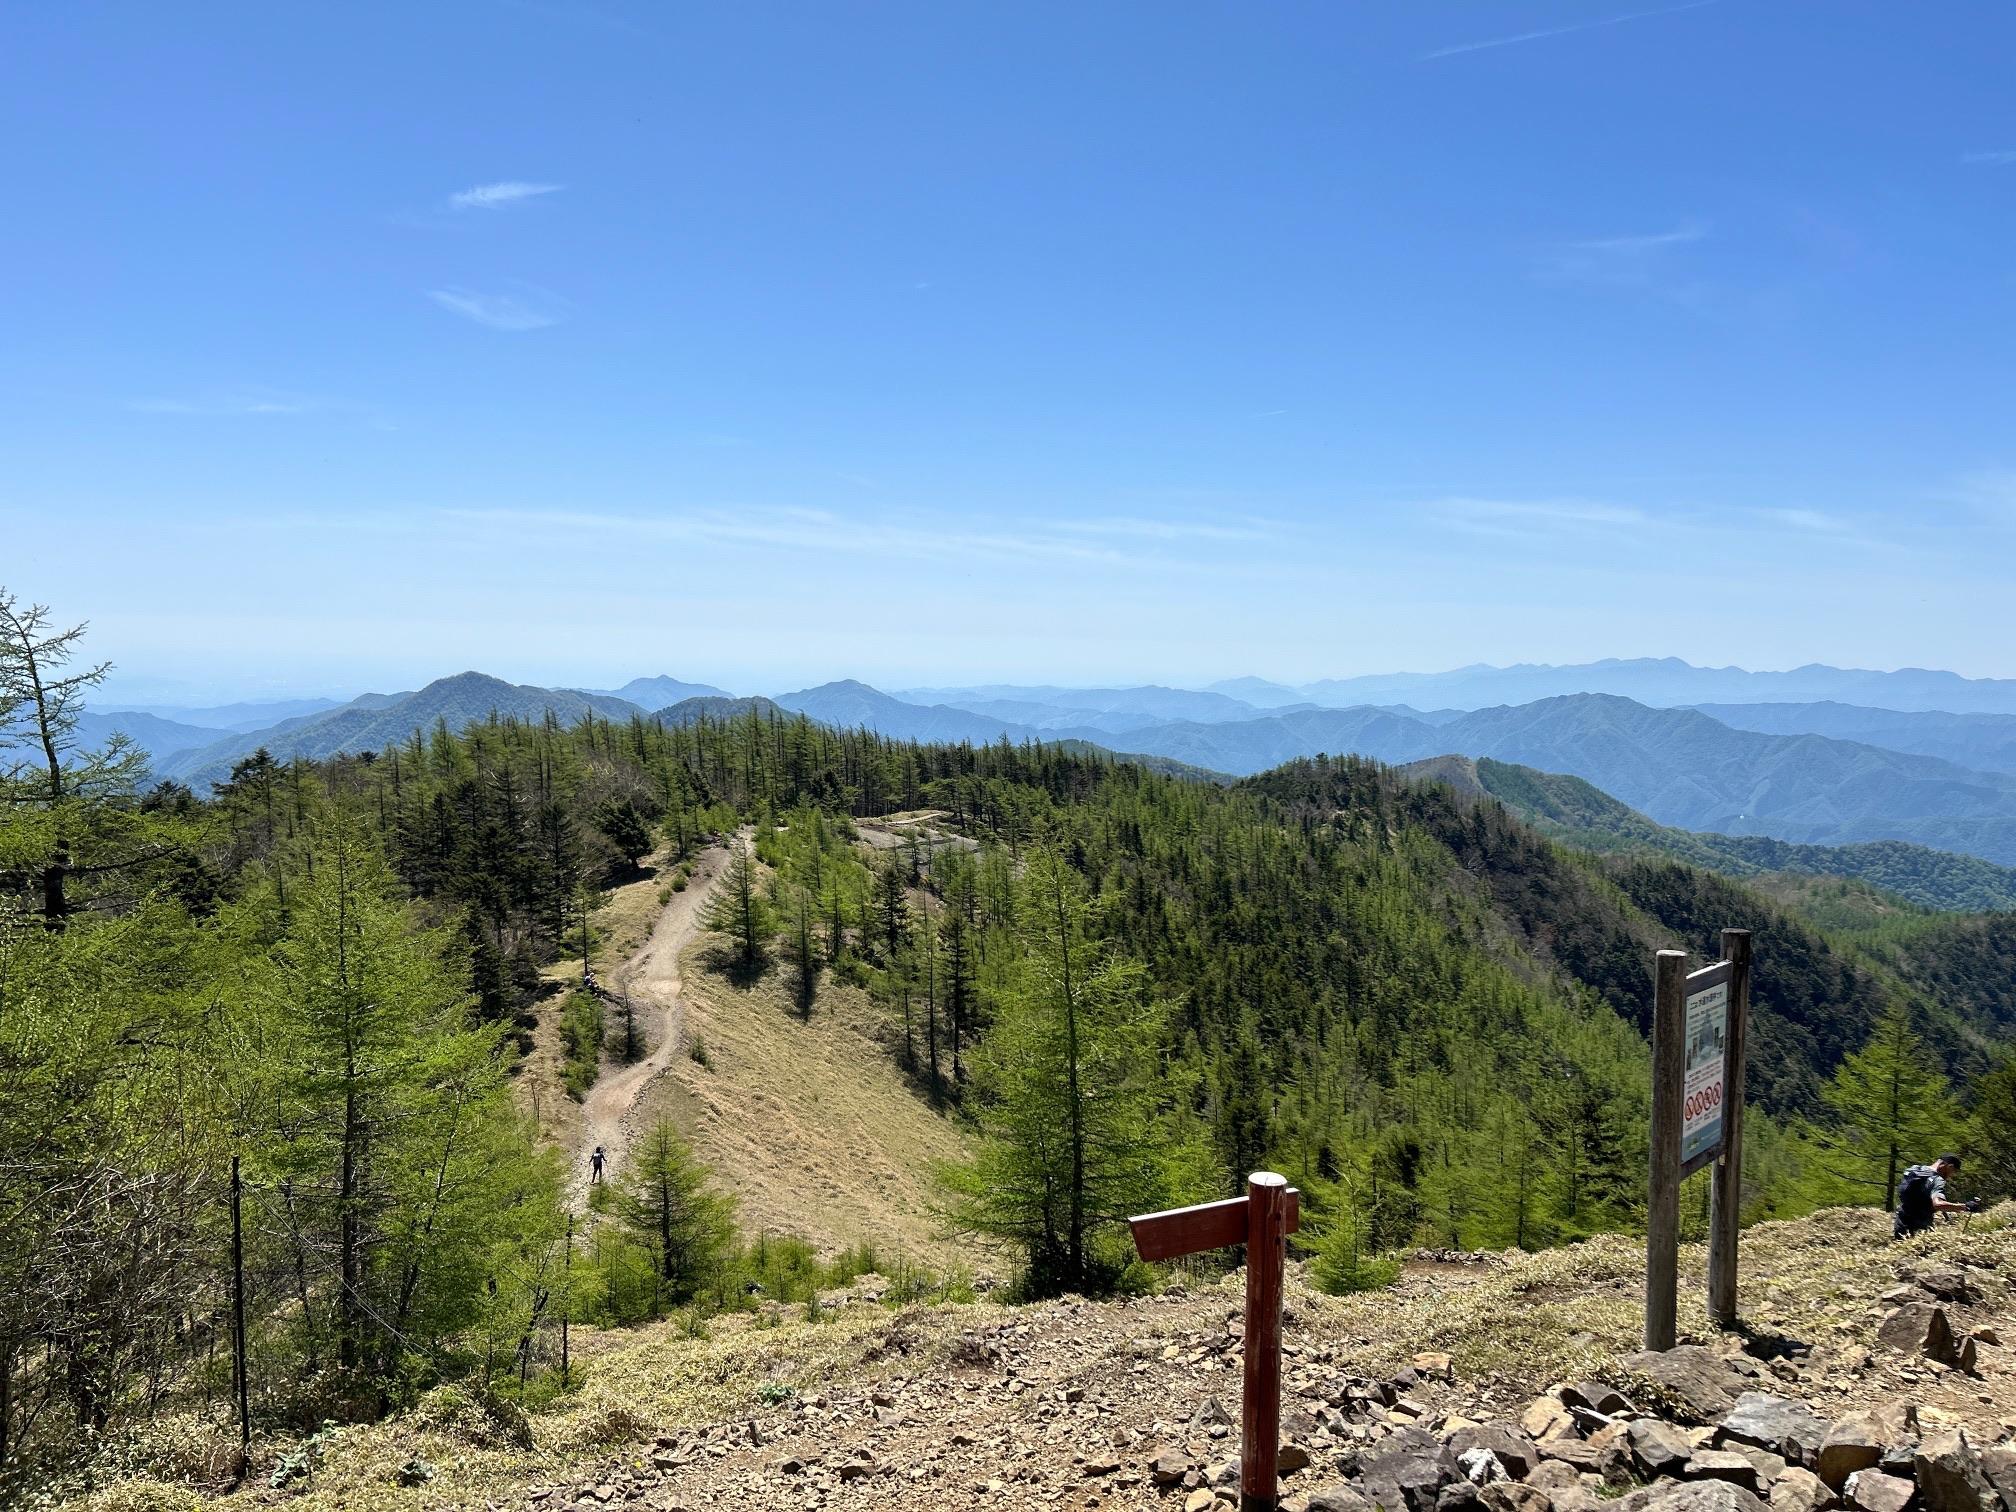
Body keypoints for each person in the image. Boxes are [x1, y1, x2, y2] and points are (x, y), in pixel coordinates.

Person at [1894, 1153, 1979, 1238]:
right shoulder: (1937, 1180)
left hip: (1901, 1221)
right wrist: (1965, 1207)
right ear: (1950, 1166)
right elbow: (1938, 1204)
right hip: (1919, 1227)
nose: (1951, 1176)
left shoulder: (1914, 1169)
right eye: (1953, 1172)